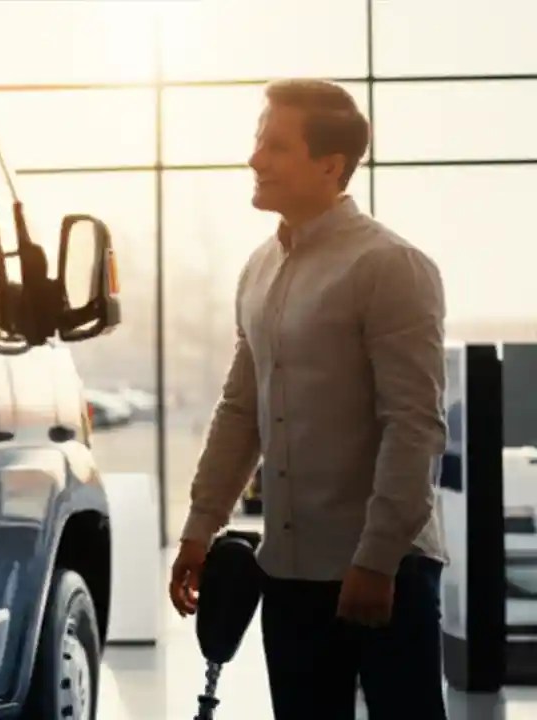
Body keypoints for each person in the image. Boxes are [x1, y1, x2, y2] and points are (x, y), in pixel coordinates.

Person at [167, 78, 449, 720]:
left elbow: (413, 425)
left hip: (385, 569)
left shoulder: (391, 267)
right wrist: (199, 527)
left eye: (274, 146)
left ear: (330, 164)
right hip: (289, 569)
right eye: (257, 142)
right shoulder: (258, 270)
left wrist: (376, 561)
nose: (254, 159)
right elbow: (241, 412)